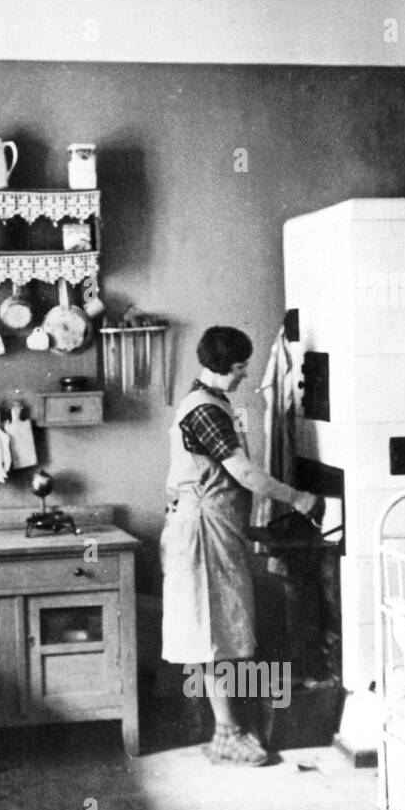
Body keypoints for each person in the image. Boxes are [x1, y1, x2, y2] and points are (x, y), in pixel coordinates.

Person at [161, 326, 322, 766]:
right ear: (219, 366)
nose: (244, 374)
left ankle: (226, 728)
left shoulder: (210, 403)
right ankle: (226, 733)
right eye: (238, 367)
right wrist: (300, 498)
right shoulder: (206, 411)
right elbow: (246, 475)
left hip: (212, 525)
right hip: (202, 531)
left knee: (222, 629)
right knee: (212, 633)